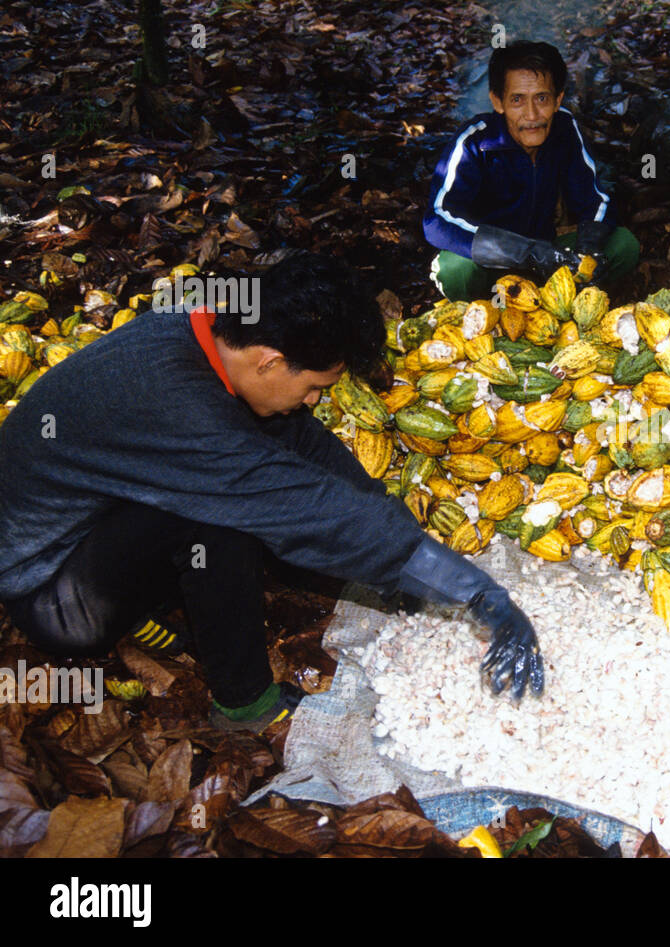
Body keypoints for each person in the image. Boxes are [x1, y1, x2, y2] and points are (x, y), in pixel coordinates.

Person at [0, 254, 544, 731]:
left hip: (94, 529)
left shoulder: (207, 328)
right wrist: (478, 593)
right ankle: (243, 704)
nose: (312, 401)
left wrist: (402, 540)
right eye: (313, 388)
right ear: (269, 360)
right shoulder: (180, 405)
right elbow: (301, 507)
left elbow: (303, 443)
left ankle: (139, 601)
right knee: (222, 519)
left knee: (252, 455)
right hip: (52, 592)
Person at [422, 40, 639, 301]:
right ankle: (485, 314)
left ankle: (568, 304)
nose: (532, 114)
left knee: (623, 245)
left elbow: (595, 200)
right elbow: (436, 219)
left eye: (542, 98)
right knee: (455, 270)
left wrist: (588, 249)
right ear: (497, 101)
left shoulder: (564, 128)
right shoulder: (475, 142)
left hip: (548, 261)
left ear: (558, 99)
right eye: (517, 100)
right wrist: (526, 251)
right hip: (491, 266)